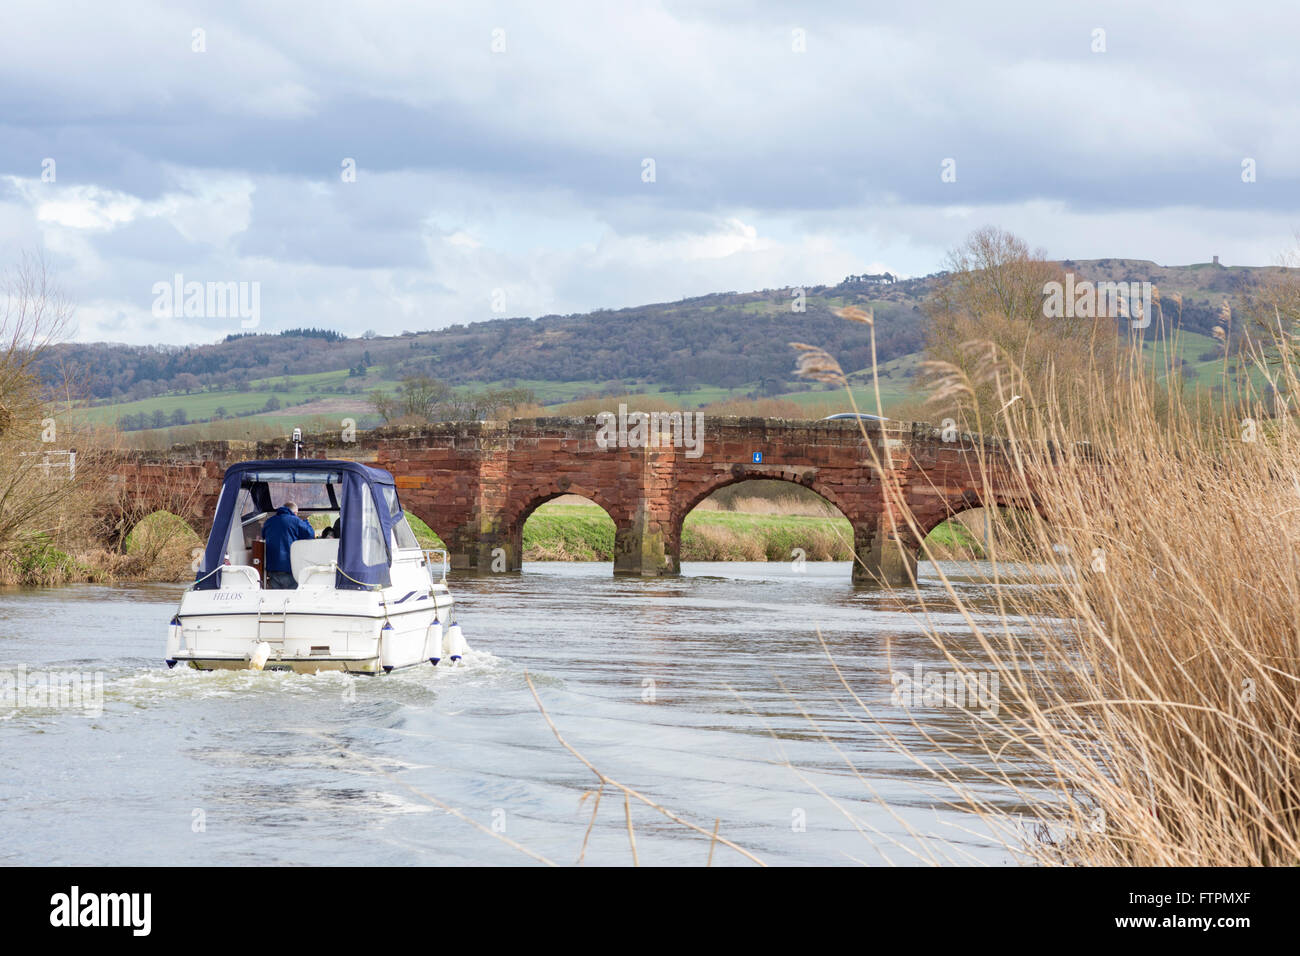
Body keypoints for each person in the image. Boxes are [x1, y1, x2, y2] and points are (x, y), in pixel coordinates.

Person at [262, 501, 315, 589]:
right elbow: (310, 534)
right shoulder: (295, 520)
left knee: (276, 599)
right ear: (295, 513)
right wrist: (306, 521)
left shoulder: (269, 522)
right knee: (292, 598)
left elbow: (264, 536)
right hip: (290, 568)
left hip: (272, 568)